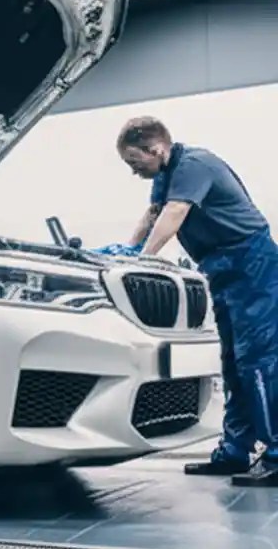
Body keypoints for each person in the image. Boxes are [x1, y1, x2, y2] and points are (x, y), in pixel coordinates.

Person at [113, 115, 278, 487]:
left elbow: (174, 213)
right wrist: (127, 252)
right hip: (222, 269)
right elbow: (154, 213)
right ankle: (235, 451)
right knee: (234, 363)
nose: (133, 169)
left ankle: (277, 453)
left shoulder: (193, 165)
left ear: (156, 149)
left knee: (259, 361)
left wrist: (144, 258)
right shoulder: (165, 175)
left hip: (252, 264)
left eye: (134, 161)